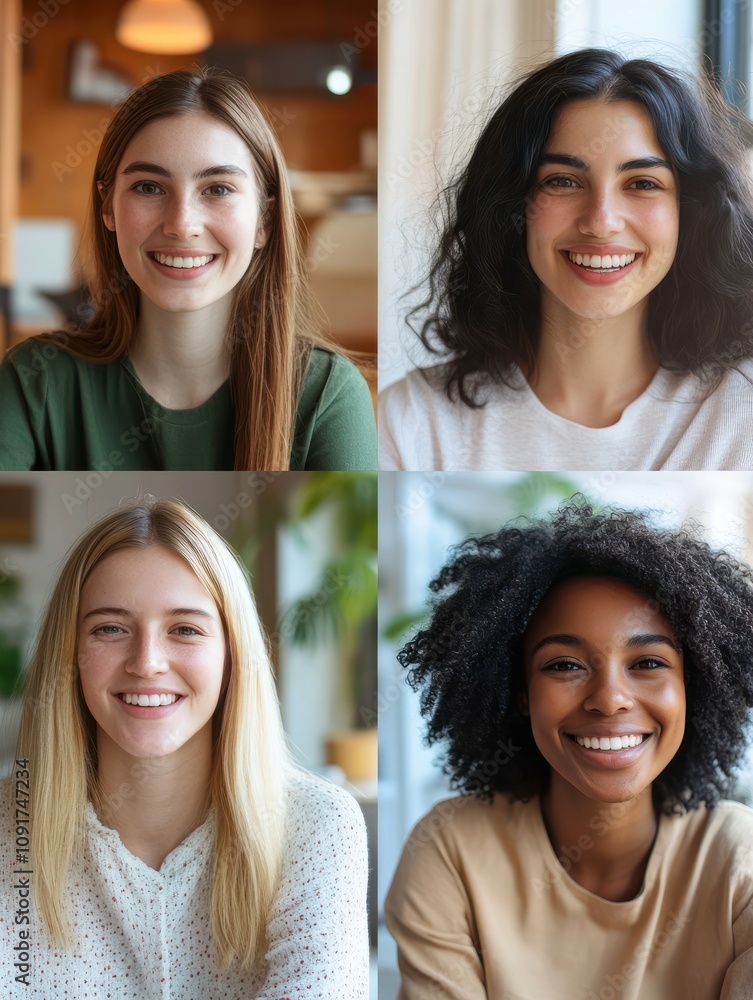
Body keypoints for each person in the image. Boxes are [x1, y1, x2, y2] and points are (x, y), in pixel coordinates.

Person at [0, 497, 369, 996]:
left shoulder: (318, 826)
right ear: (70, 654)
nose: (147, 662)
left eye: (185, 630)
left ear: (231, 657)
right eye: (110, 628)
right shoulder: (8, 825)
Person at [385, 501, 753, 999]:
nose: (609, 700)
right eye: (564, 665)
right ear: (519, 691)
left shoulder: (738, 858)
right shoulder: (450, 852)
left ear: (695, 684)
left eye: (647, 662)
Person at [379, 49, 753, 471]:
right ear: (511, 206)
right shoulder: (412, 423)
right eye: (563, 180)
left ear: (691, 210)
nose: (601, 221)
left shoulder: (742, 410)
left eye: (643, 183)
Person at [0, 68, 377, 471]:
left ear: (264, 221)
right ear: (108, 206)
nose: (181, 224)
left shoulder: (327, 396)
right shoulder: (30, 384)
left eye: (217, 189)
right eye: (149, 187)